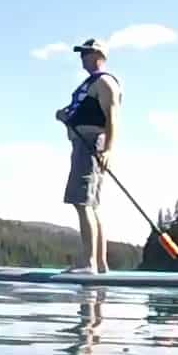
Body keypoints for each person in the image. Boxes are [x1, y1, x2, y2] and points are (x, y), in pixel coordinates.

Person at [53, 37, 120, 273]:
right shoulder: (89, 84)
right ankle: (100, 265)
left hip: (92, 145)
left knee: (83, 202)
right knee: (90, 204)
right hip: (83, 144)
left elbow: (113, 117)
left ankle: (89, 263)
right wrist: (65, 118)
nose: (82, 58)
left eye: (86, 53)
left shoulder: (105, 83)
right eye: (81, 54)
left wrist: (108, 148)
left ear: (98, 56)